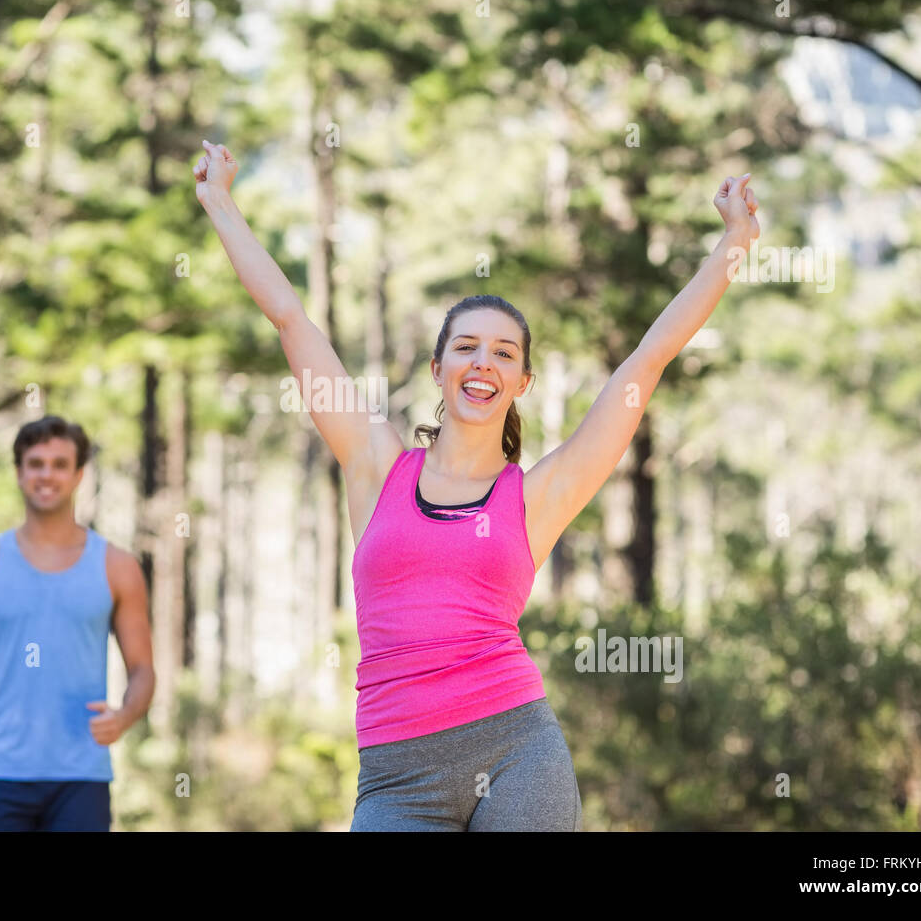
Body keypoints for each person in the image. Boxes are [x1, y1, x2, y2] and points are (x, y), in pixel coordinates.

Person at [194, 139, 759, 830]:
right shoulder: (376, 466)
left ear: (521, 383)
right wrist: (220, 203)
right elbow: (291, 319)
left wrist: (734, 243)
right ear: (438, 368)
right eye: (465, 346)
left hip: (518, 749)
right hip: (395, 775)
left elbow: (649, 358)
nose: (482, 362)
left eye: (503, 352)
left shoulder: (537, 495)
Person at [0, 415, 154, 831]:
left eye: (60, 464)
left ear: (79, 474)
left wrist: (125, 715)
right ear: (19, 472)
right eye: (36, 463)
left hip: (82, 778)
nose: (47, 474)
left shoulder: (117, 568)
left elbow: (143, 670)